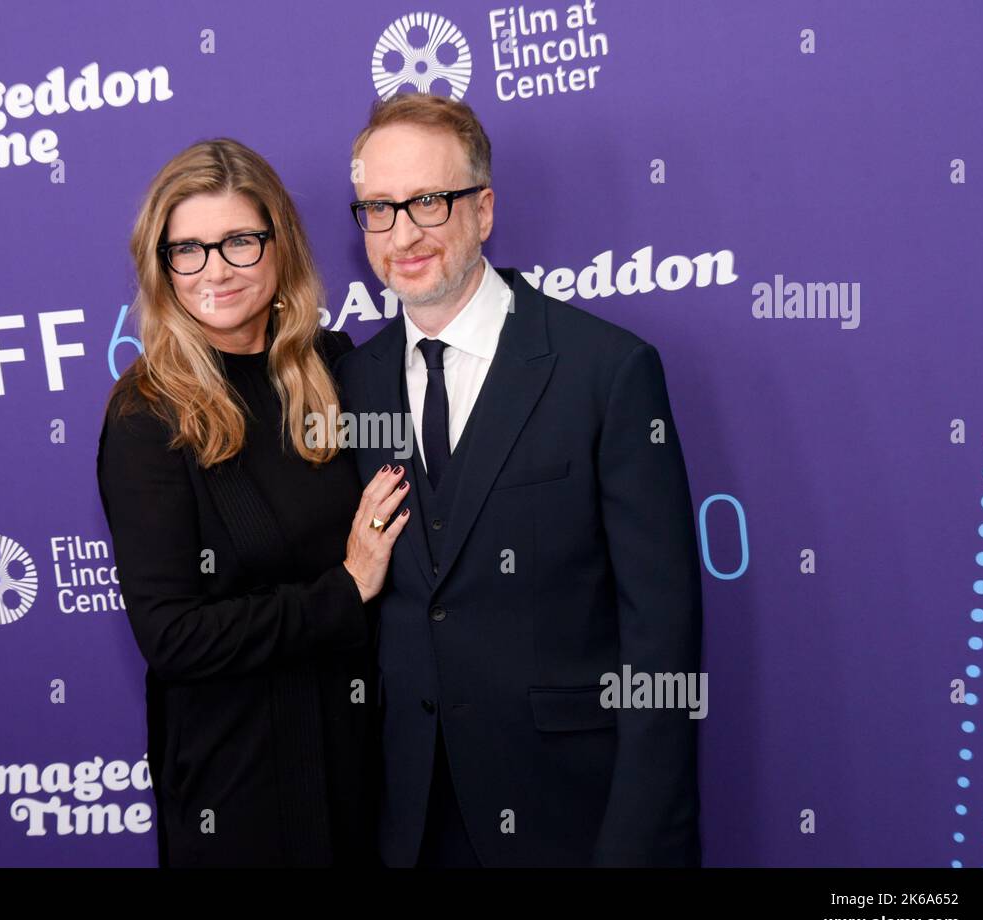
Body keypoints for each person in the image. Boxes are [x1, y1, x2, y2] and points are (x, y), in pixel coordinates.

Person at [336, 94, 704, 867]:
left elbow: (661, 638)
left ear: (484, 209)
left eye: (429, 201)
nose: (403, 233)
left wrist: (640, 846)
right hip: (405, 824)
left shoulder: (605, 371)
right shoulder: (349, 383)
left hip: (569, 818)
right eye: (378, 208)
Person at [96, 138, 411, 866]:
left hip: (362, 756)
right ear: (161, 266)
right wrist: (342, 591)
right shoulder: (147, 417)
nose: (216, 270)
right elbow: (173, 637)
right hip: (238, 784)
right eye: (190, 250)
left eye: (239, 241)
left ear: (280, 245)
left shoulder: (334, 368)